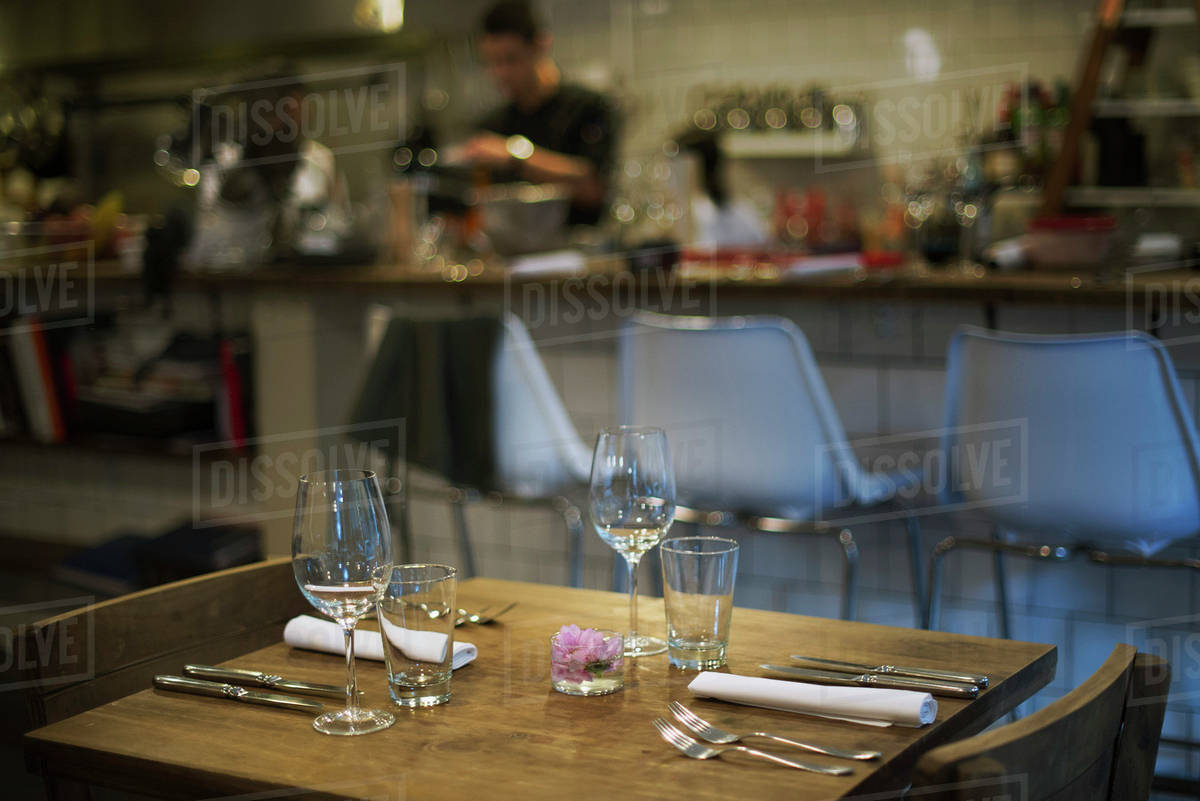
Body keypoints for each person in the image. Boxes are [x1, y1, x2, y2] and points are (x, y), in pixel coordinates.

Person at [454, 0, 619, 226]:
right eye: (492, 62)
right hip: (511, 254)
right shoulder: (493, 125)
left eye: (510, 59)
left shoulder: (587, 107)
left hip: (580, 252)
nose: (500, 73)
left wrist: (514, 155)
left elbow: (593, 188)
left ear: (540, 45)